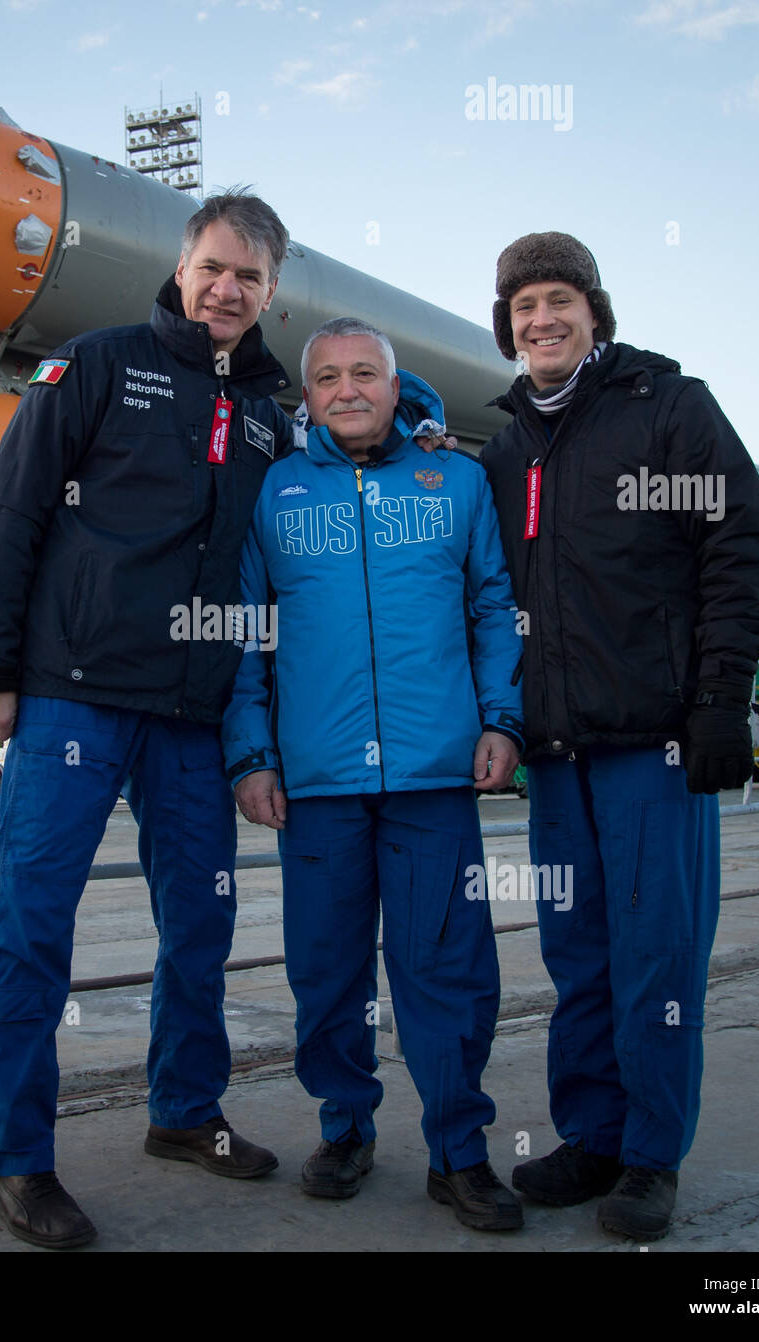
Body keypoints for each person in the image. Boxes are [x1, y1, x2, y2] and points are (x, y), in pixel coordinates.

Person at [0, 189, 297, 1249]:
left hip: (192, 714)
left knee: (199, 925)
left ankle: (183, 1113)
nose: (226, 288)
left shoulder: (273, 414)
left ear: (270, 291)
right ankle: (17, 1161)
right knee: (32, 925)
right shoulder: (99, 362)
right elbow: (11, 501)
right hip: (71, 693)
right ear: (181, 267)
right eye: (212, 266)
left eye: (249, 275)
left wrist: (415, 408)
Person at [479, 232, 759, 1240]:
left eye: (557, 298)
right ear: (507, 325)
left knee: (656, 952)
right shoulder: (506, 446)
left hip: (654, 742)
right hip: (558, 751)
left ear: (592, 312)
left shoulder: (667, 408)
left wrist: (718, 701)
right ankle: (594, 1134)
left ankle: (652, 1155)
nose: (541, 319)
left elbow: (741, 543)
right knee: (578, 953)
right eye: (522, 306)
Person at [222, 318, 527, 1231]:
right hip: (316, 782)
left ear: (398, 388)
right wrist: (251, 752)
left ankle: (459, 1151)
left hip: (434, 776)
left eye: (365, 374)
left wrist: (501, 719)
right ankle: (346, 1126)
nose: (346, 389)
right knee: (326, 970)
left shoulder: (457, 481)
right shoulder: (277, 492)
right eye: (326, 378)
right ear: (305, 397)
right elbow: (249, 632)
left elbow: (493, 607)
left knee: (446, 966)